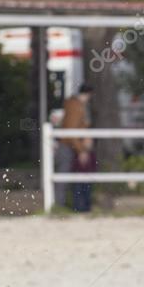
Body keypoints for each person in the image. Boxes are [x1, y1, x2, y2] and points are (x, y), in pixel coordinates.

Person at [59, 83, 95, 212]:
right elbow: (72, 130)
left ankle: (62, 205)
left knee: (66, 177)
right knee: (64, 177)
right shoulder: (76, 107)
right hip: (70, 146)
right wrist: (82, 150)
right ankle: (60, 205)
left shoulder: (74, 105)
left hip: (71, 145)